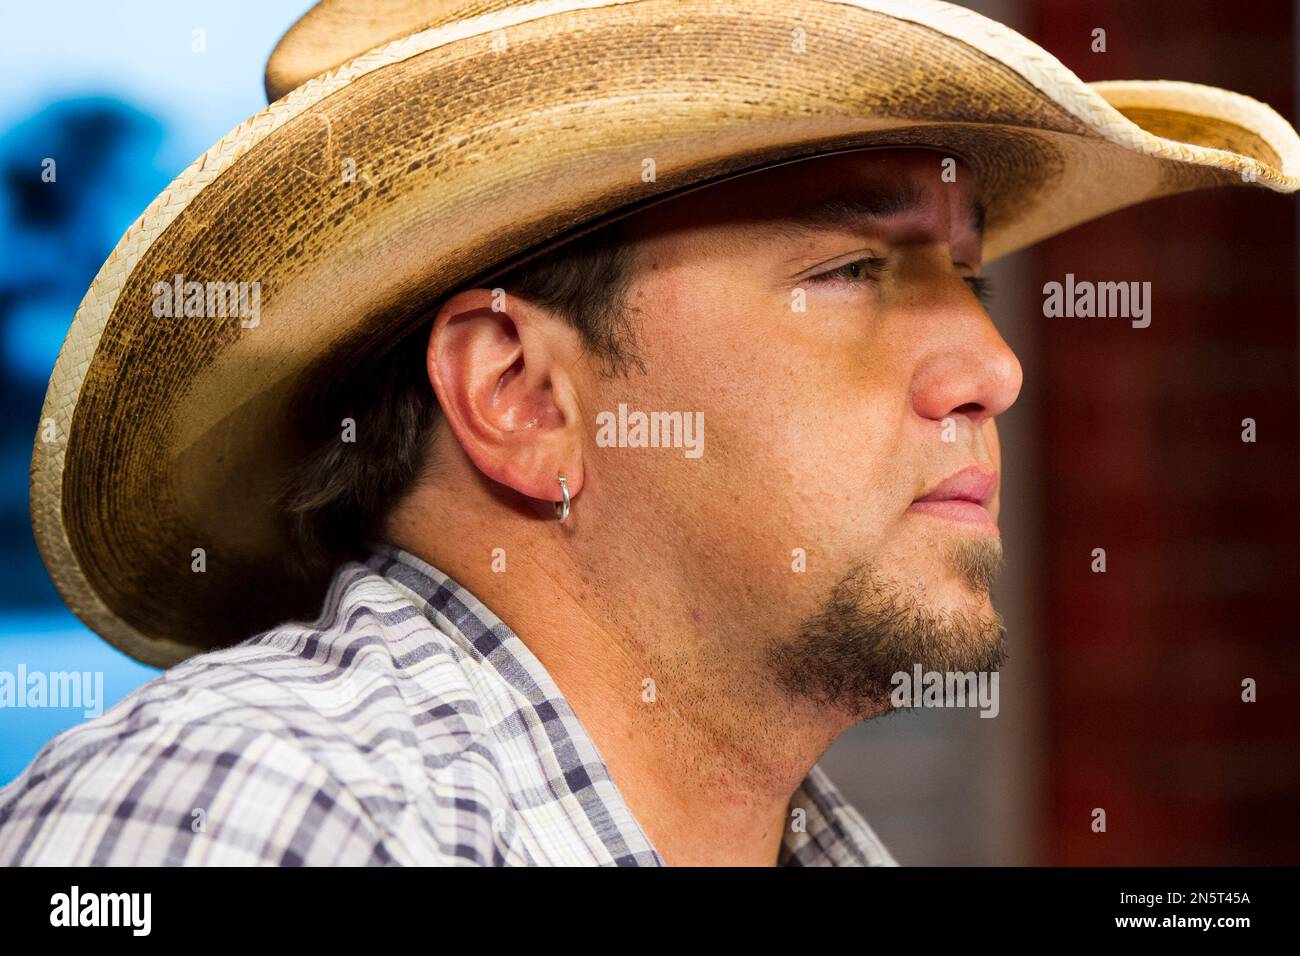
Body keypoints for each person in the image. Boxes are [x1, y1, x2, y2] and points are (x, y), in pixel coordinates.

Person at [5, 0, 1296, 865]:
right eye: (852, 269)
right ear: (521, 393)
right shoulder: (265, 811)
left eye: (965, 278)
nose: (993, 367)